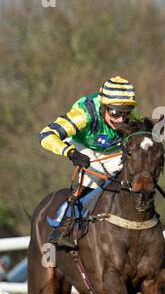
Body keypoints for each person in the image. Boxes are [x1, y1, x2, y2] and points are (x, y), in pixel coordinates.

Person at [41, 76, 141, 249]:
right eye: (114, 113)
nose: (120, 120)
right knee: (95, 177)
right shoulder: (84, 113)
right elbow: (46, 135)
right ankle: (63, 226)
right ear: (103, 107)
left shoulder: (130, 117)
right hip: (83, 144)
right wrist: (71, 153)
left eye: (125, 113)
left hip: (111, 150)